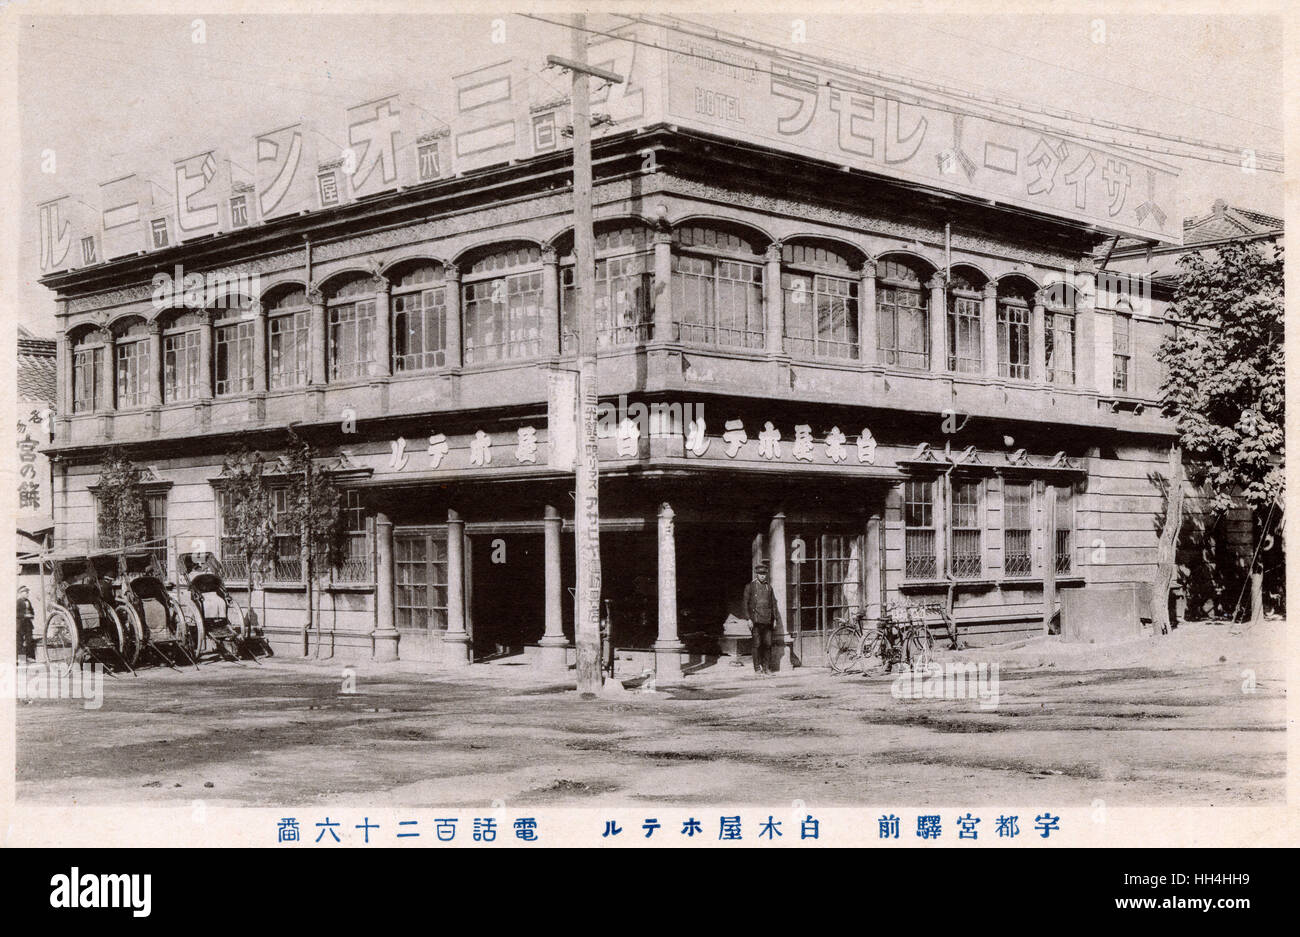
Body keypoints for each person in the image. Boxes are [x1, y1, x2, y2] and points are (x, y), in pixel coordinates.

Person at [742, 561, 780, 675]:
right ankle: (757, 669)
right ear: (756, 574)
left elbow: (773, 604)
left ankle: (767, 667)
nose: (762, 576)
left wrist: (775, 619)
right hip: (755, 621)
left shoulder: (769, 587)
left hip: (767, 621)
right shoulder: (750, 587)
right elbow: (745, 603)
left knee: (768, 644)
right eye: (760, 574)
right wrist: (748, 619)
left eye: (764, 574)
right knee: (757, 645)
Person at [16, 585, 36, 662]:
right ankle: (20, 658)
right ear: (20, 593)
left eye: (27, 592)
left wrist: (32, 615)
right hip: (20, 624)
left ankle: (30, 657)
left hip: (28, 624)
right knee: (19, 641)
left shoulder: (28, 602)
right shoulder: (18, 602)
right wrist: (24, 615)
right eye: (25, 592)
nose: (27, 594)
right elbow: (15, 614)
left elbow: (32, 610)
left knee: (29, 640)